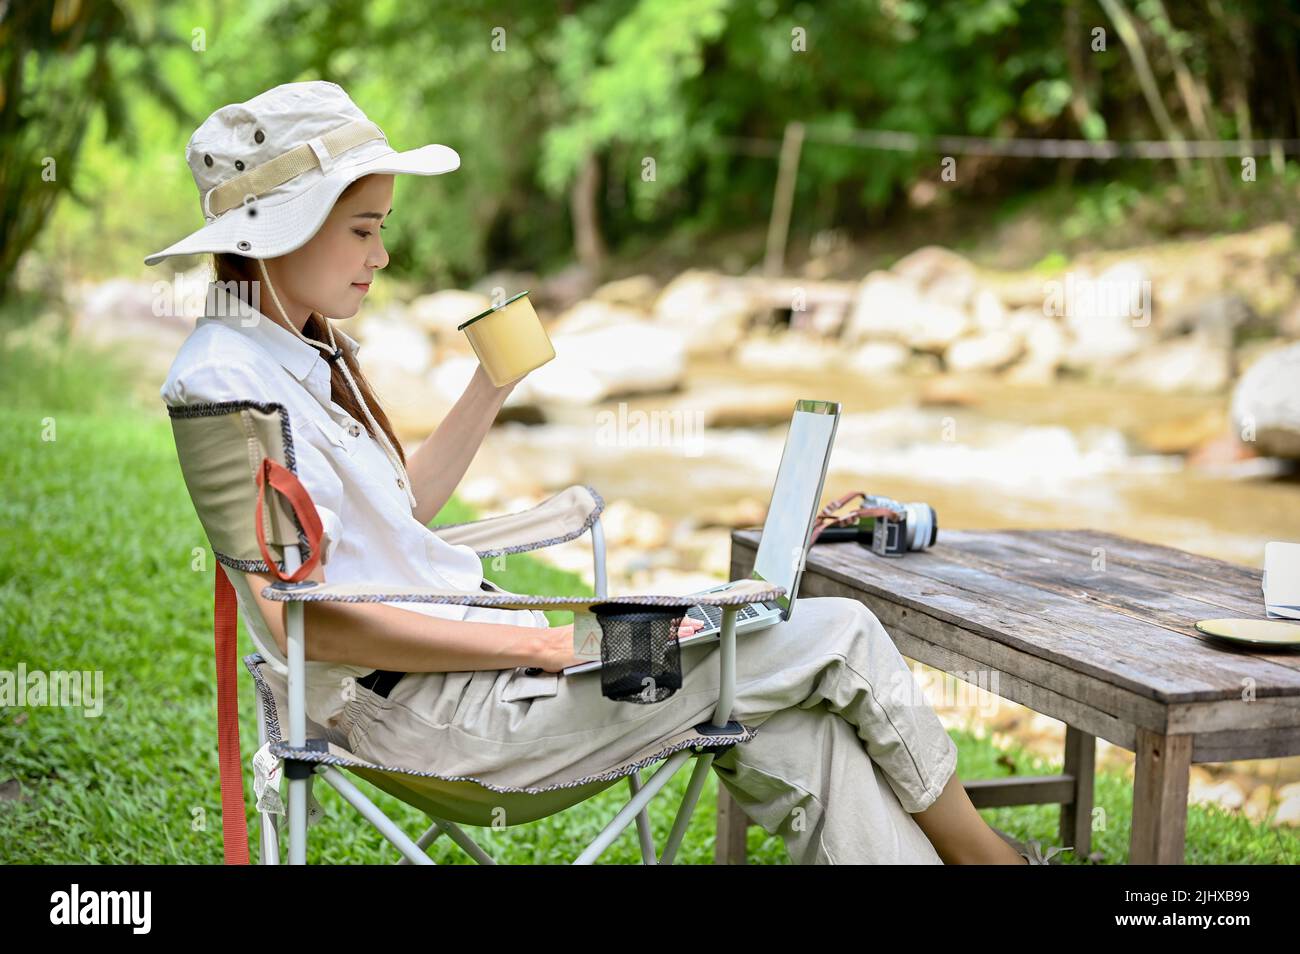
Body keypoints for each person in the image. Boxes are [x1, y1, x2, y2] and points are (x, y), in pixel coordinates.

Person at [149, 80, 1029, 864]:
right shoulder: (228, 383)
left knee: (800, 732)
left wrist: (492, 383)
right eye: (364, 231)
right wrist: (552, 642)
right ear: (279, 232)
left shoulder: (295, 352)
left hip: (496, 681)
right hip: (465, 723)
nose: (381, 257)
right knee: (843, 633)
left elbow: (401, 513)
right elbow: (304, 618)